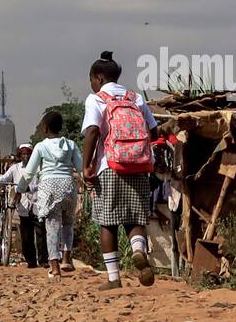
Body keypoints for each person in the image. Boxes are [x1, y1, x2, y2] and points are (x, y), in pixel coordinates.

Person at [82, 51, 158, 290]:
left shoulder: (96, 99)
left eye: (92, 79)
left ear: (99, 77)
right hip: (139, 165)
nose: (92, 84)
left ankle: (114, 278)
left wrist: (87, 166)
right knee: (135, 217)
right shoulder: (136, 98)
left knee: (108, 222)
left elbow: (93, 131)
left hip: (110, 167)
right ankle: (137, 249)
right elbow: (154, 132)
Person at [18, 112, 83, 277]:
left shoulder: (40, 146)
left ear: (45, 128)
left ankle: (55, 267)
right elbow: (81, 167)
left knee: (52, 227)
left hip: (49, 188)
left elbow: (28, 173)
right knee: (68, 224)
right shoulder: (71, 144)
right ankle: (66, 260)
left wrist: (19, 190)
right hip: (68, 186)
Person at [0, 143, 47, 268]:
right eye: (24, 154)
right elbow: (5, 178)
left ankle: (43, 260)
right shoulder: (15, 168)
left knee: (40, 233)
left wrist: (30, 188)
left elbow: (43, 184)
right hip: (22, 205)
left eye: (28, 154)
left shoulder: (38, 168)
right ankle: (31, 261)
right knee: (26, 235)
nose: (26, 156)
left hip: (36, 203)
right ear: (20, 155)